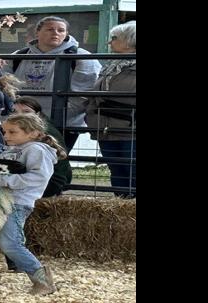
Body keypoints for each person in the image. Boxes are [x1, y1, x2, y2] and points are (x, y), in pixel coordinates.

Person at [0, 112, 66, 296]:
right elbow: (1, 172)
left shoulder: (37, 150)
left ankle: (43, 280)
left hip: (18, 203)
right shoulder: (13, 149)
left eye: (13, 132)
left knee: (10, 243)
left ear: (33, 133)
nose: (6, 136)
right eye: (5, 132)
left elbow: (37, 178)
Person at [0, 16, 101, 149]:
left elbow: (82, 96)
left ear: (66, 33)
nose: (56, 33)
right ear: (37, 32)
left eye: (61, 30)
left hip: (62, 123)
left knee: (54, 162)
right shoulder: (18, 56)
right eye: (50, 29)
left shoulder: (82, 57)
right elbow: (5, 87)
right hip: (20, 122)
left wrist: (52, 119)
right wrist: (14, 115)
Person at [85, 21, 135, 197]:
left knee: (132, 173)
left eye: (114, 38)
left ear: (130, 40)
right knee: (118, 173)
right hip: (107, 128)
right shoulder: (112, 65)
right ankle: (123, 214)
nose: (109, 42)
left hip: (130, 129)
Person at [12, 97, 71, 197]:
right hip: (50, 177)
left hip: (51, 180)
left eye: (26, 111)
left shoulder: (41, 131)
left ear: (37, 114)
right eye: (15, 111)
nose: (20, 115)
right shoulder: (34, 126)